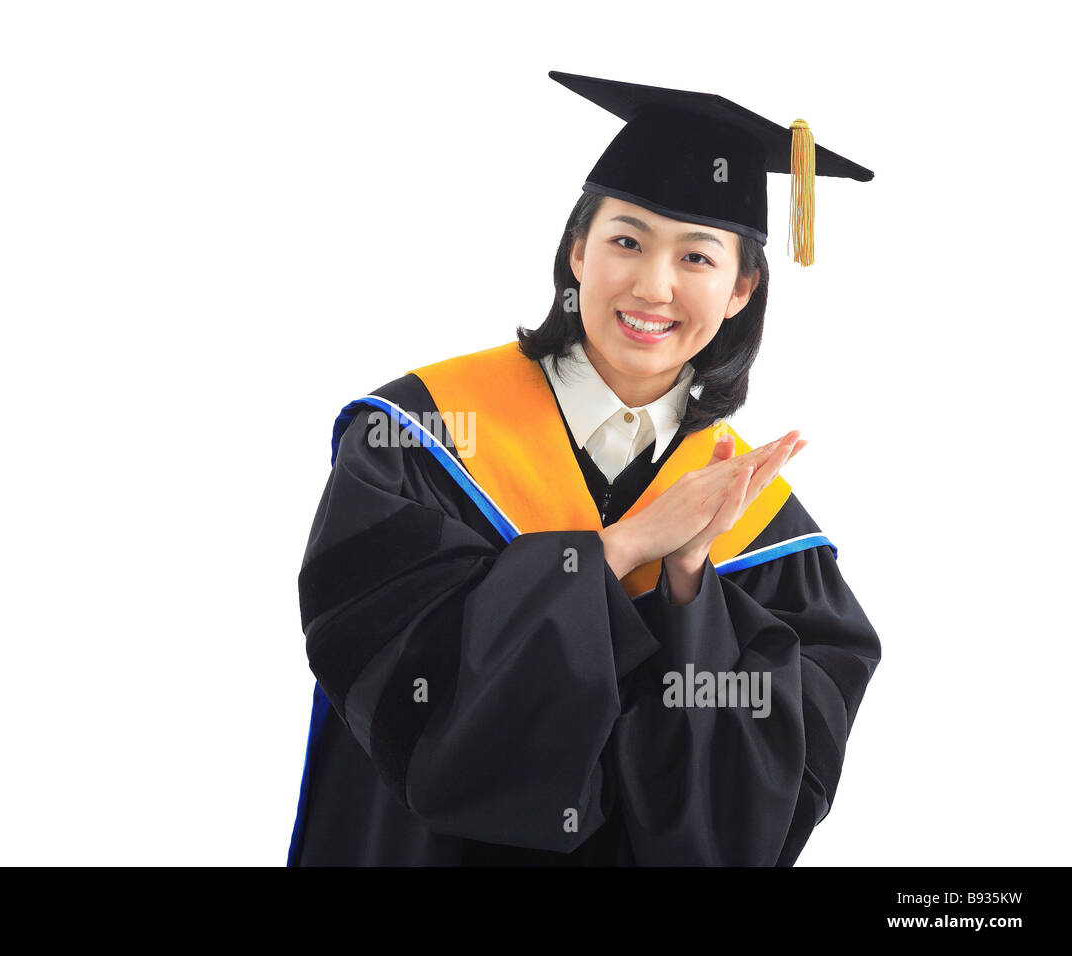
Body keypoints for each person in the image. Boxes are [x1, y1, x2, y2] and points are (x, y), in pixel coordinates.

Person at [287, 71, 882, 866]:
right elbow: (390, 677)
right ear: (576, 253)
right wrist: (621, 548)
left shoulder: (760, 523)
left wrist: (688, 581)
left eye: (698, 257)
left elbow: (750, 817)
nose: (653, 286)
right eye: (626, 241)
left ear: (741, 289)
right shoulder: (420, 437)